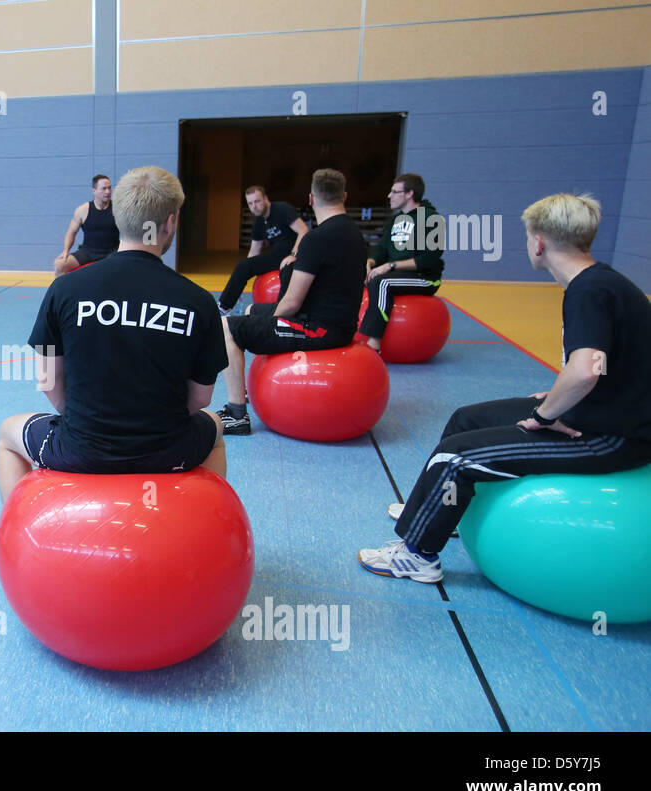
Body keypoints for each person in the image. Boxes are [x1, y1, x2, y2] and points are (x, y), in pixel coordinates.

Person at [358, 193, 651, 583]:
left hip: (610, 435)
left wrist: (544, 415)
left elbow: (584, 371)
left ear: (539, 242)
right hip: (598, 411)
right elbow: (602, 365)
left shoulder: (589, 291)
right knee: (466, 419)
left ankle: (417, 556)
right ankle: (441, 511)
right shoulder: (600, 281)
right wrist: (556, 395)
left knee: (454, 457)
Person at [0, 166, 227, 502]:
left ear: (119, 217)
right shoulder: (199, 301)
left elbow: (49, 383)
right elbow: (201, 399)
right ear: (170, 222)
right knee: (215, 426)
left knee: (7, 435)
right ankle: (209, 519)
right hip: (168, 450)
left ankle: (17, 535)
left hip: (81, 450)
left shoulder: (65, 288)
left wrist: (91, 429)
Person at [217, 169, 367, 436]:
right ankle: (254, 390)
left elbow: (292, 303)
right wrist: (257, 318)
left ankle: (236, 413)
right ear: (344, 196)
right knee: (252, 309)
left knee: (228, 327)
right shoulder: (356, 234)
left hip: (319, 328)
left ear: (310, 198)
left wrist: (263, 324)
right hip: (337, 323)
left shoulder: (316, 239)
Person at [359, 173, 445, 351]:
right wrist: (371, 261)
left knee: (382, 283)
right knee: (359, 274)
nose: (389, 196)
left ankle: (373, 344)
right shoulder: (395, 220)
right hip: (398, 273)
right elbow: (382, 250)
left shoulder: (431, 219)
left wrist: (390, 266)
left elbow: (427, 260)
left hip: (425, 277)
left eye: (394, 191)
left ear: (409, 194)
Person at [216, 186, 309, 316]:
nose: (254, 206)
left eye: (257, 201)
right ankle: (223, 307)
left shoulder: (282, 209)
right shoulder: (259, 222)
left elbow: (304, 231)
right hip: (278, 257)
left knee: (286, 272)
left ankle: (282, 315)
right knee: (243, 266)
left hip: (297, 256)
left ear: (265, 199)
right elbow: (254, 252)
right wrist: (245, 274)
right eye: (250, 203)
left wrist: (293, 255)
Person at [53, 175, 118, 276]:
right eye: (104, 189)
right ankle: (62, 292)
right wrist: (66, 250)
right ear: (94, 191)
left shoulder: (118, 209)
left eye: (109, 188)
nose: (108, 192)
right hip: (88, 252)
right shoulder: (82, 210)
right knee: (59, 265)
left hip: (113, 252)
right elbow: (71, 232)